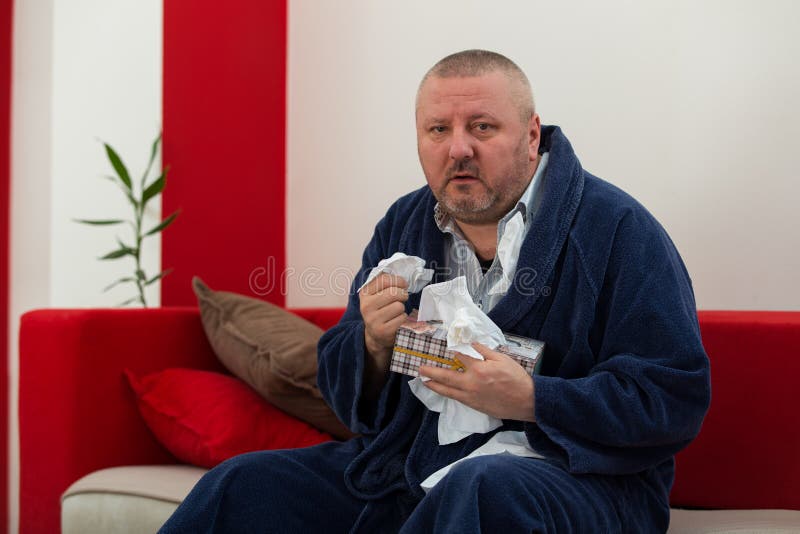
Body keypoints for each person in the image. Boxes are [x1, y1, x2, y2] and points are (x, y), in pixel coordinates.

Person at [160, 49, 710, 533]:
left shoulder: (619, 231)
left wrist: (532, 398)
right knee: (244, 485)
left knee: (484, 489)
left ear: (531, 135)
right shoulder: (404, 224)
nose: (458, 149)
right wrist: (372, 346)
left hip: (578, 480)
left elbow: (673, 398)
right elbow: (342, 387)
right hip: (410, 470)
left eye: (482, 127)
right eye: (438, 130)